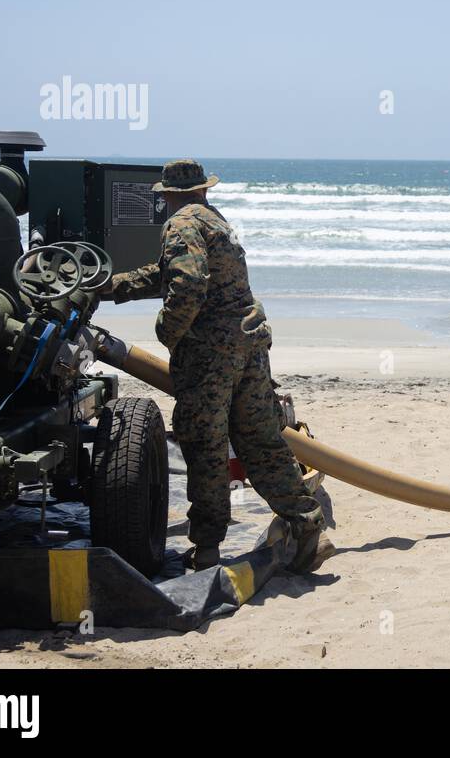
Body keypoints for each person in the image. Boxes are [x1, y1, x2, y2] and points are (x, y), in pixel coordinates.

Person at [103, 159, 332, 573]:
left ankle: (206, 549)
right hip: (249, 345)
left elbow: (187, 285)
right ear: (203, 190)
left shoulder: (179, 224)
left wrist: (168, 331)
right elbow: (175, 274)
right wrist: (112, 286)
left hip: (210, 356)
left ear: (168, 195)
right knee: (260, 439)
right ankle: (306, 522)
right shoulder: (215, 221)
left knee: (204, 446)